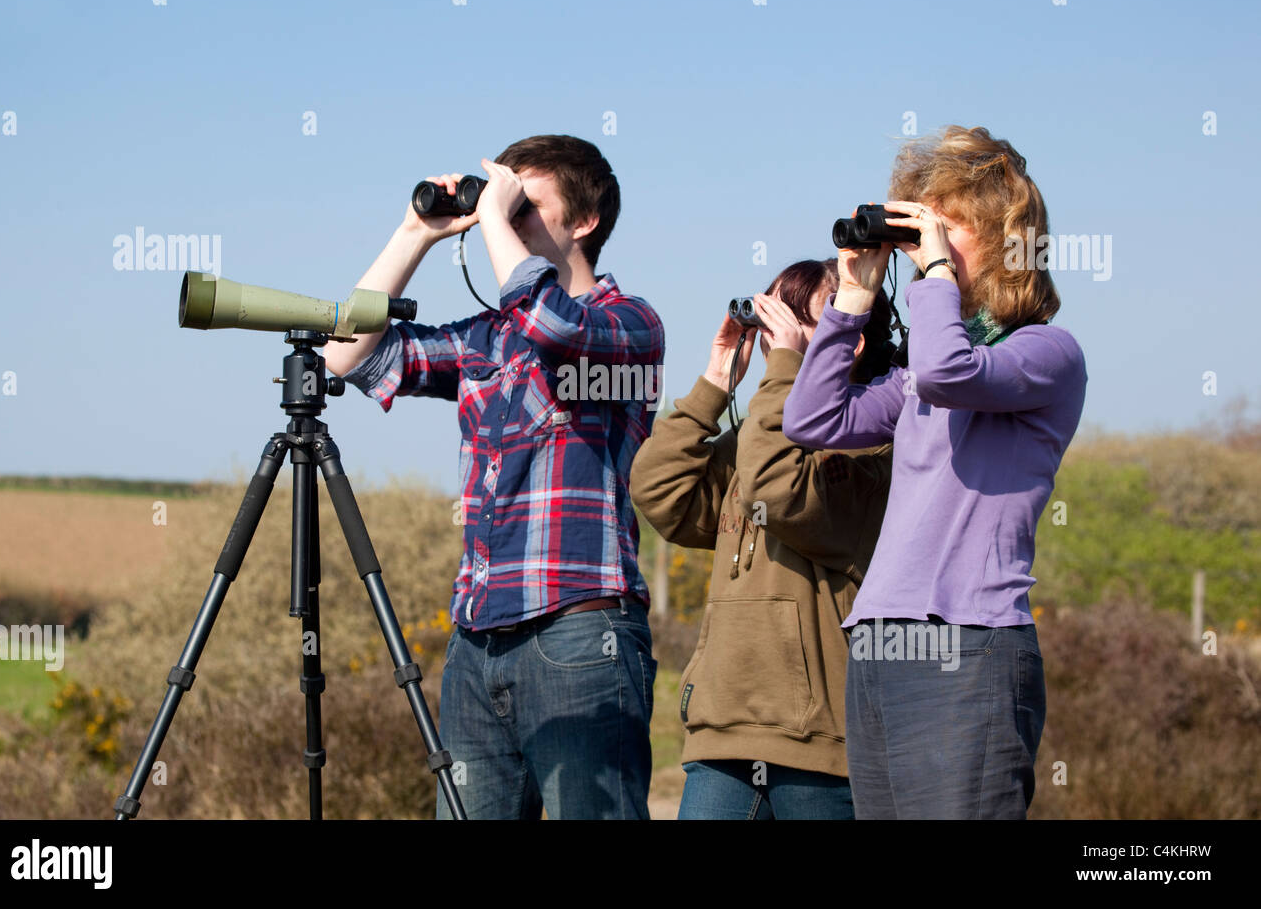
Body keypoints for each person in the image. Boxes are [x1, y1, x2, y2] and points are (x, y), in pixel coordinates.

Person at [325, 135, 665, 819]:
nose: (503, 219)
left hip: (580, 632)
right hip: (476, 639)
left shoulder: (630, 326)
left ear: (585, 220)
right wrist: (414, 232)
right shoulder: (489, 338)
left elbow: (552, 327)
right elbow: (349, 356)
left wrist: (494, 222)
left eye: (525, 205)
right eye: (502, 206)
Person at [782, 126, 1088, 819]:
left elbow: (954, 371)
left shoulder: (1046, 353)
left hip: (968, 644)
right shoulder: (925, 371)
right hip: (880, 640)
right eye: (920, 236)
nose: (926, 249)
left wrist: (935, 276)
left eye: (945, 232)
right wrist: (852, 299)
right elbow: (812, 420)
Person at [630, 258, 895, 819]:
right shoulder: (756, 439)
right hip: (721, 731)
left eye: (798, 320)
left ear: (849, 343)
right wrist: (714, 384)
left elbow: (779, 492)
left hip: (820, 748)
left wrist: (784, 371)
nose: (778, 335)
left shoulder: (873, 451)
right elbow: (659, 493)